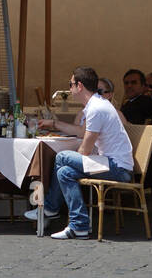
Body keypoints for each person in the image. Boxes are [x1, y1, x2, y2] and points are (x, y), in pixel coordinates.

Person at [30, 66, 135, 239]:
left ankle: (49, 208)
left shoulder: (96, 109)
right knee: (64, 172)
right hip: (109, 163)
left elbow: (85, 151)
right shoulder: (96, 106)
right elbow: (82, 136)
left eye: (70, 85)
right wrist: (54, 124)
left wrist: (73, 156)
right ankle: (79, 226)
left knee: (62, 156)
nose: (69, 89)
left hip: (118, 167)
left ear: (79, 86)